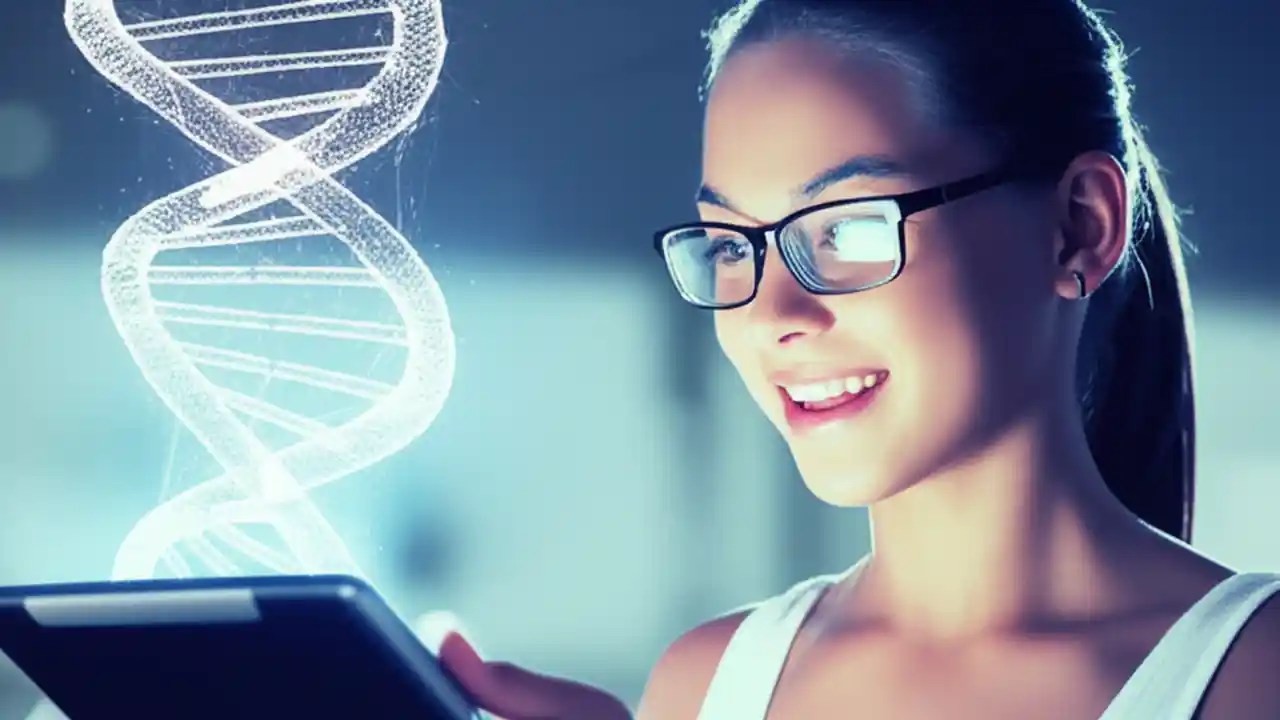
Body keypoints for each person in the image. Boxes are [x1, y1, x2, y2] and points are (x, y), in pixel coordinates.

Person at [438, 1, 1280, 717]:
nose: (774, 314)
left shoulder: (1257, 675)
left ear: (1080, 224)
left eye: (846, 228)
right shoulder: (707, 685)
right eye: (734, 246)